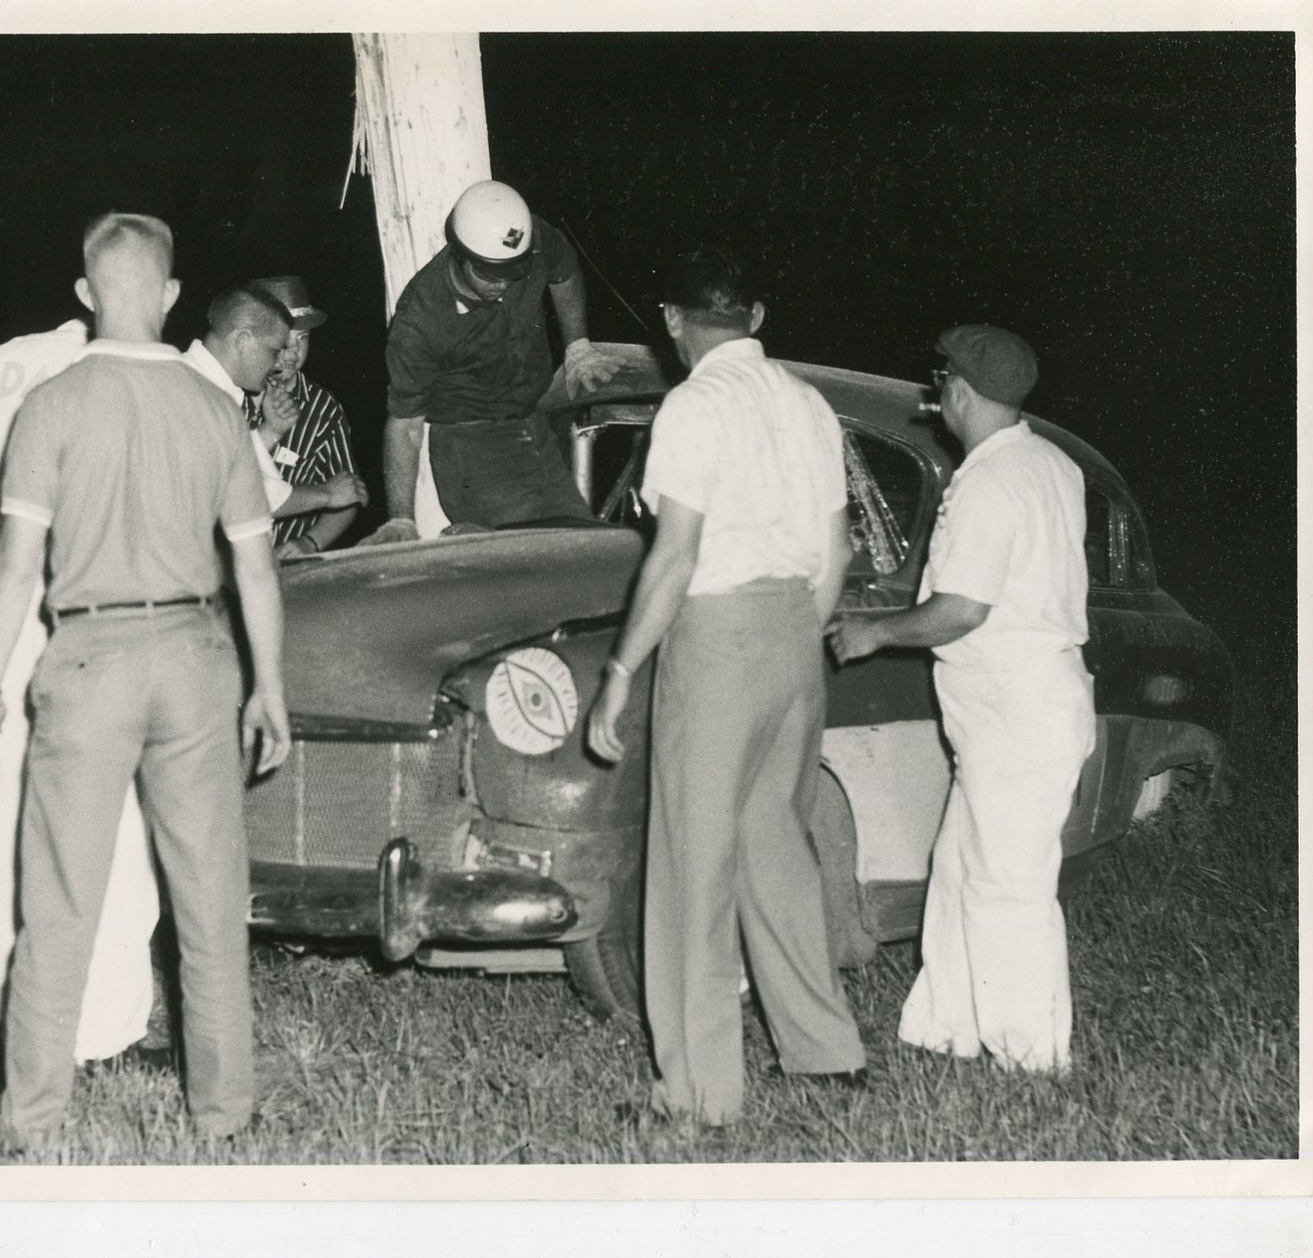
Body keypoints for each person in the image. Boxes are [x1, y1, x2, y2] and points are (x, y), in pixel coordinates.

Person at [0, 212, 292, 1148]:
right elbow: (257, 568)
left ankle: (29, 1125)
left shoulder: (53, 404)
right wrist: (269, 688)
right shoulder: (214, 409)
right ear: (174, 297)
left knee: (59, 902)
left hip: (90, 659)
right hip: (196, 662)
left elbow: (15, 566)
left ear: (84, 295)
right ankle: (224, 1119)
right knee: (209, 902)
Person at [586, 248, 867, 1130]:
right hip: (795, 628)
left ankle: (697, 1096)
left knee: (689, 869)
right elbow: (838, 553)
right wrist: (795, 630)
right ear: (755, 315)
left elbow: (674, 557)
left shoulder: (694, 405)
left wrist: (621, 672)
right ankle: (826, 1055)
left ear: (674, 321)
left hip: (719, 636)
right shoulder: (807, 402)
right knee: (777, 848)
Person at [827, 324, 1094, 1074]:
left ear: (963, 391)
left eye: (942, 380)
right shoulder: (1052, 463)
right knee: (959, 867)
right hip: (1021, 701)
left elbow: (961, 609)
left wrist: (875, 632)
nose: (936, 393)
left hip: (1015, 704)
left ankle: (1029, 1056)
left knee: (1008, 882)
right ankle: (947, 1025)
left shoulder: (990, 481)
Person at [0, 304, 162, 1071]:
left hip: (34, 605)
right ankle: (86, 1035)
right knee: (115, 824)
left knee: (27, 824)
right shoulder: (139, 372)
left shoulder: (18, 354)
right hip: (99, 604)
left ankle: (59, 1033)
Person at [365, 179, 622, 542]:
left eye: (514, 271)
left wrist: (578, 346)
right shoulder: (419, 320)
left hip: (534, 428)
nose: (505, 283)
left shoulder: (525, 241)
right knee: (532, 559)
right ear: (459, 253)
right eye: (492, 274)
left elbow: (562, 267)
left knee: (584, 545)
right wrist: (401, 519)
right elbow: (405, 427)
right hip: (471, 448)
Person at [184, 284, 367, 529]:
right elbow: (245, 496)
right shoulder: (199, 395)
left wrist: (271, 431)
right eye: (275, 350)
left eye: (302, 339)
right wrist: (328, 494)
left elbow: (236, 470)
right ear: (242, 341)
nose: (282, 360)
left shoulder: (205, 385)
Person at [247, 275, 360, 557]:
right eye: (284, 339)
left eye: (303, 338)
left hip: (289, 568)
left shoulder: (323, 410)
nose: (294, 352)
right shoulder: (225, 397)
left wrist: (309, 543)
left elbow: (348, 495)